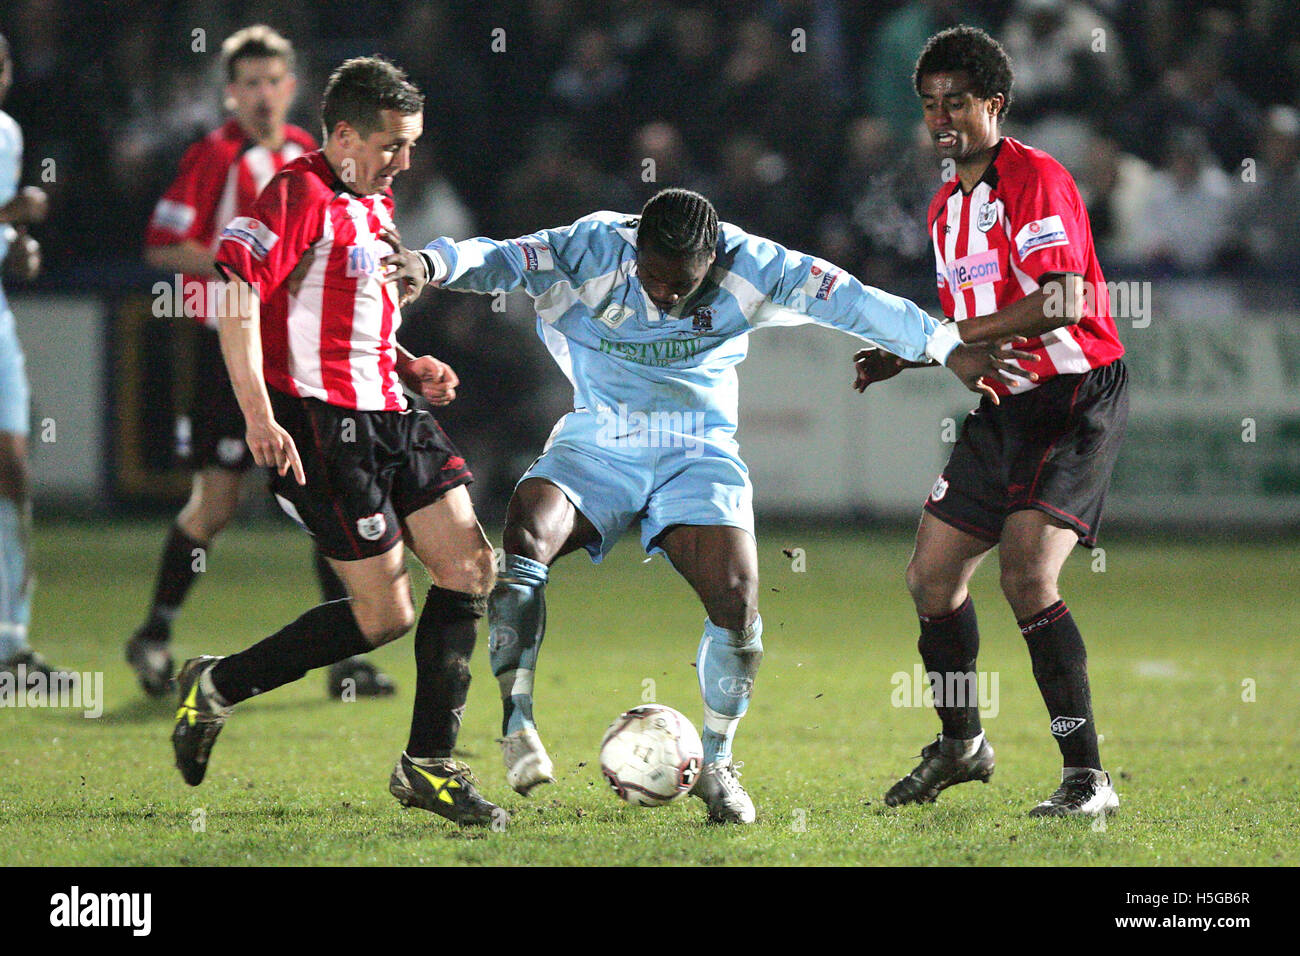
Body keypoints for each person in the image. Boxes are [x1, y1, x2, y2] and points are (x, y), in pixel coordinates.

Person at [383, 187, 1025, 824]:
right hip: (601, 440)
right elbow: (503, 257)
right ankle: (517, 723)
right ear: (635, 251)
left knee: (738, 597)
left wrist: (945, 347)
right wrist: (433, 264)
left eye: (682, 284)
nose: (665, 296)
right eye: (654, 279)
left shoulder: (756, 267)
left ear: (712, 257)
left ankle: (717, 765)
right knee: (526, 537)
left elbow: (856, 301)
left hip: (697, 451)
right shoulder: (592, 247)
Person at [170, 57, 503, 827]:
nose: (406, 160)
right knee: (384, 616)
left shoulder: (373, 201)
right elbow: (236, 293)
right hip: (322, 426)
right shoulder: (296, 193)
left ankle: (429, 766)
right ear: (344, 134)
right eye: (393, 144)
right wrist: (258, 413)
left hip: (393, 410)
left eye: (413, 144)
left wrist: (409, 363)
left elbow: (351, 313)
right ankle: (215, 687)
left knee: (470, 565)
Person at [852, 25, 1128, 816]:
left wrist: (944, 344)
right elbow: (971, 317)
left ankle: (1088, 778)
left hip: (1073, 397)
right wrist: (908, 356)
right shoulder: (946, 207)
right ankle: (962, 745)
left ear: (995, 104)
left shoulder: (1036, 179)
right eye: (930, 105)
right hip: (1006, 404)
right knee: (931, 580)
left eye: (958, 103)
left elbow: (1062, 300)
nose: (941, 119)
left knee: (1026, 574)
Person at [127, 25, 393, 700]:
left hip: (305, 363)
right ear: (229, 93)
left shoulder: (311, 152)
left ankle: (348, 655)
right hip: (234, 354)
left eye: (274, 81)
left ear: (293, 87)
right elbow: (163, 245)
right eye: (250, 83)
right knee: (214, 506)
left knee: (331, 495)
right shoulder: (215, 155)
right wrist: (249, 266)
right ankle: (155, 632)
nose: (263, 95)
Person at [0, 30, 75, 688]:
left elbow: (8, 243)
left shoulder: (9, 135)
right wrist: (6, 212)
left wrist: (17, 250)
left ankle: (11, 645)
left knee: (14, 469)